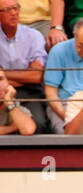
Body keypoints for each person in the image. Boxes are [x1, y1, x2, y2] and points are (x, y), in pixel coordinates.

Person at [0, 0, 49, 132]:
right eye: (7, 10)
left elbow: (35, 76)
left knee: (39, 123)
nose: (14, 13)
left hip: (29, 91)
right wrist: (21, 76)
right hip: (1, 91)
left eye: (16, 8)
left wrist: (4, 74)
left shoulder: (33, 36)